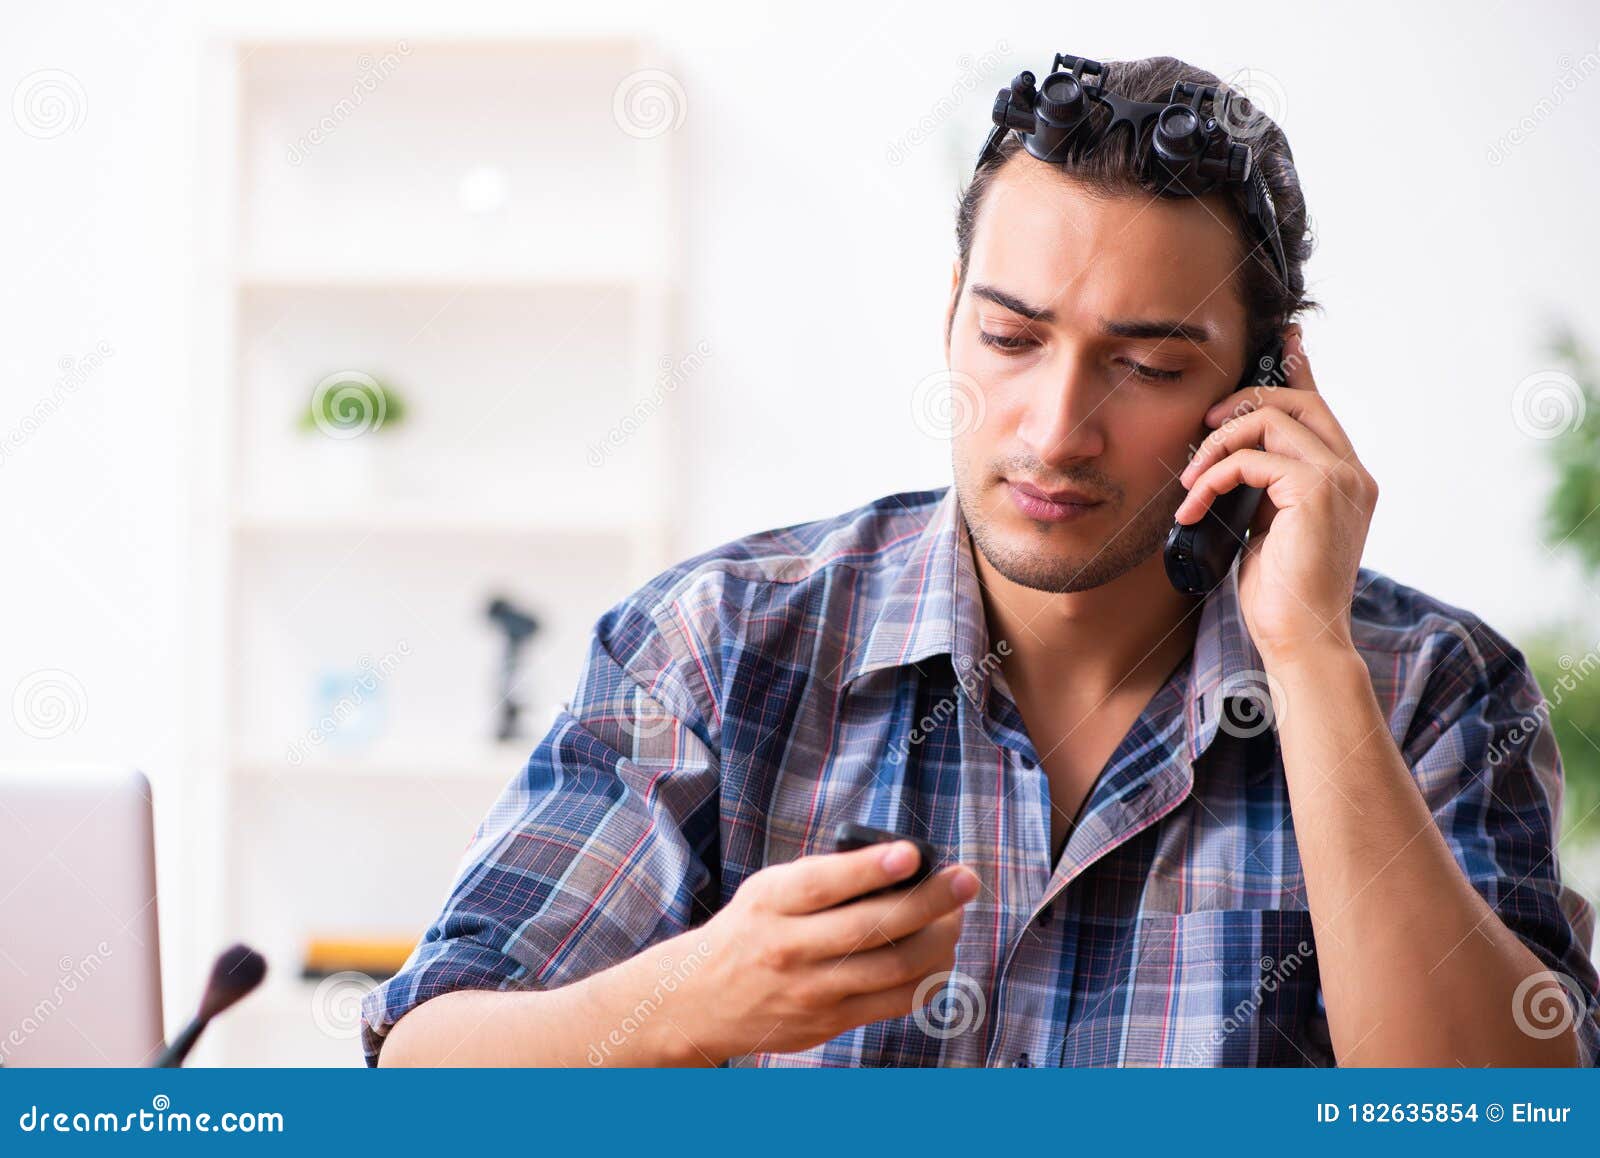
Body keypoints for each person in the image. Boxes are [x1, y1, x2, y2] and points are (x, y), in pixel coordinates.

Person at [362, 53, 1600, 1067]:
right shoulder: (718, 645)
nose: (1054, 430)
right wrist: (691, 1000)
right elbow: (419, 1073)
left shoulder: (1429, 688)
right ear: (952, 310)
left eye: (1151, 366)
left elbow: (1504, 1123)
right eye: (1010, 337)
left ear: (1262, 384)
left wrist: (1309, 657)